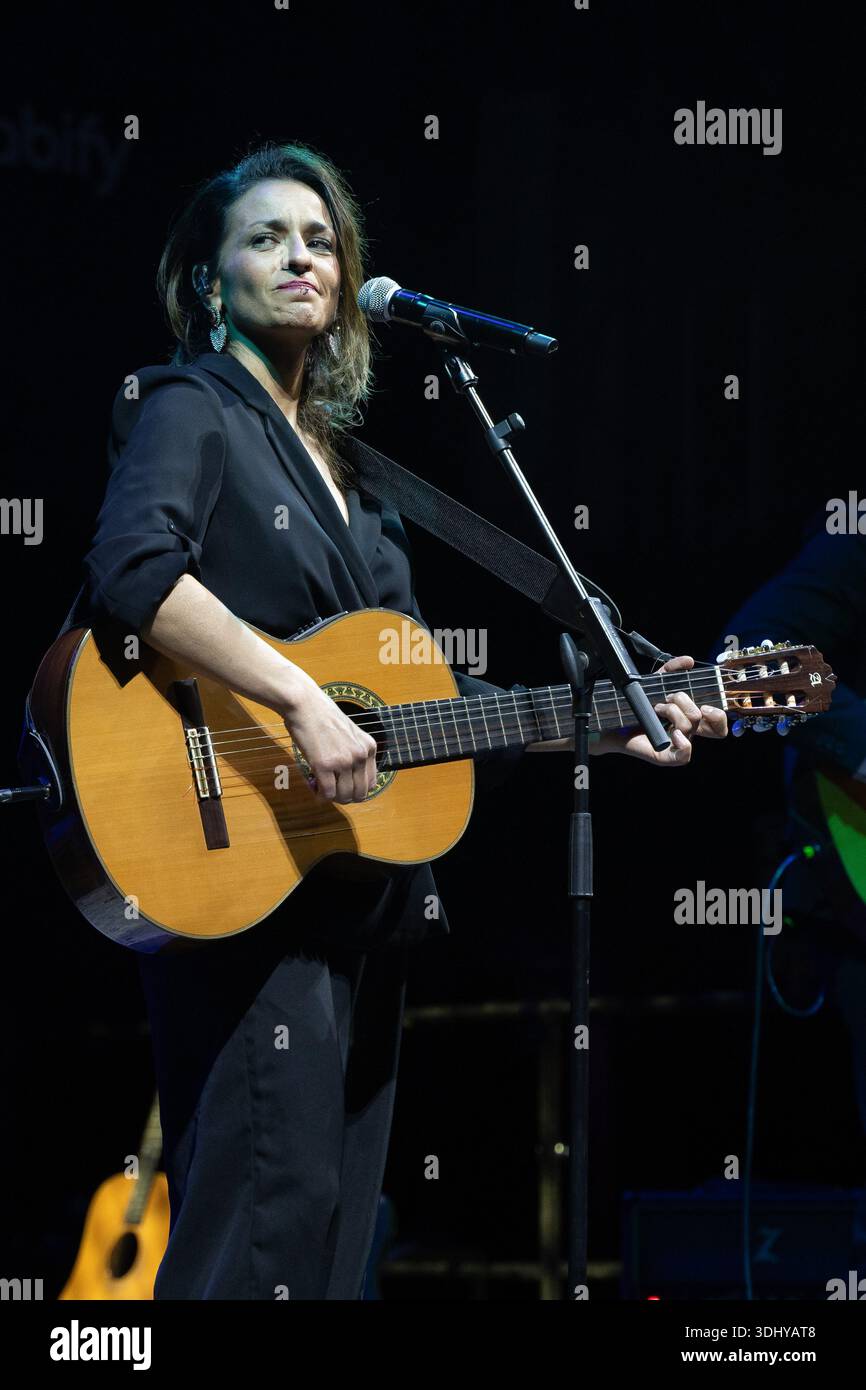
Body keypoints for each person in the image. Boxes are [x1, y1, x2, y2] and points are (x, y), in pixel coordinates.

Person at [64, 140, 727, 1299]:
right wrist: (301, 699)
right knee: (256, 1234)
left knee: (330, 1237)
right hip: (233, 866)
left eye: (319, 239)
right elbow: (135, 575)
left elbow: (424, 704)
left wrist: (596, 721)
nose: (300, 256)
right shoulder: (190, 406)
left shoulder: (360, 482)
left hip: (355, 907)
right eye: (265, 238)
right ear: (210, 283)